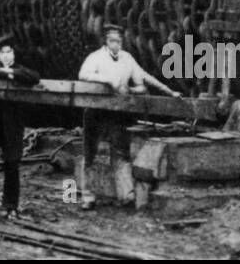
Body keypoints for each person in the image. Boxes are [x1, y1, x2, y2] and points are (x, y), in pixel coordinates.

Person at [76, 24, 178, 209]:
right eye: (112, 40)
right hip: (96, 111)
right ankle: (87, 197)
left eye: (119, 41)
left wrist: (169, 92)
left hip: (118, 113)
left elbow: (143, 79)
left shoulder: (127, 58)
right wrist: (108, 80)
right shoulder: (95, 58)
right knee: (90, 154)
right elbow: (83, 75)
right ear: (105, 42)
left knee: (121, 154)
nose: (116, 44)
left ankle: (126, 196)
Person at [0, 33, 40, 219]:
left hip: (12, 121)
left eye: (9, 52)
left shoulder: (20, 70)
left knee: (12, 162)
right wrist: (4, 72)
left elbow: (34, 77)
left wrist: (10, 73)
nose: (6, 56)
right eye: (2, 53)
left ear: (14, 53)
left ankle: (11, 205)